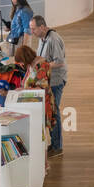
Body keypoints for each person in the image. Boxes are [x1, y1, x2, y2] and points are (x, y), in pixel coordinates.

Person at [31, 15, 68, 155]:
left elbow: (59, 61)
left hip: (56, 81)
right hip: (48, 80)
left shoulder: (54, 39)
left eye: (33, 29)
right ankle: (54, 143)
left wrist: (43, 66)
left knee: (54, 112)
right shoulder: (42, 38)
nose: (32, 31)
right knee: (51, 112)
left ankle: (57, 147)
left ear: (42, 27)